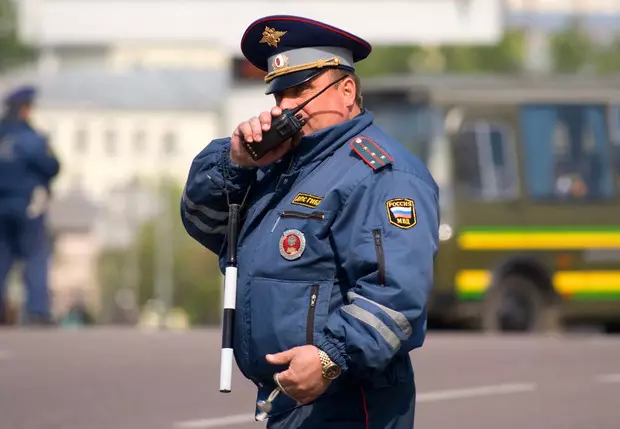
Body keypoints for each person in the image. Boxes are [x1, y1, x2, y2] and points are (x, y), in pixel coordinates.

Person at [181, 15, 439, 429]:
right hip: (288, 402)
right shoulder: (280, 164)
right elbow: (206, 225)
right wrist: (235, 163)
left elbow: (396, 296)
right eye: (279, 94)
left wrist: (329, 358)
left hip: (348, 401)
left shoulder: (381, 174)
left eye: (300, 90)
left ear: (347, 90)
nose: (286, 107)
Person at [0, 85, 60, 326]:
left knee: (2, 257)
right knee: (35, 255)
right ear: (25, 110)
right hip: (27, 207)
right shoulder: (33, 139)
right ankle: (37, 311)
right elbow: (52, 167)